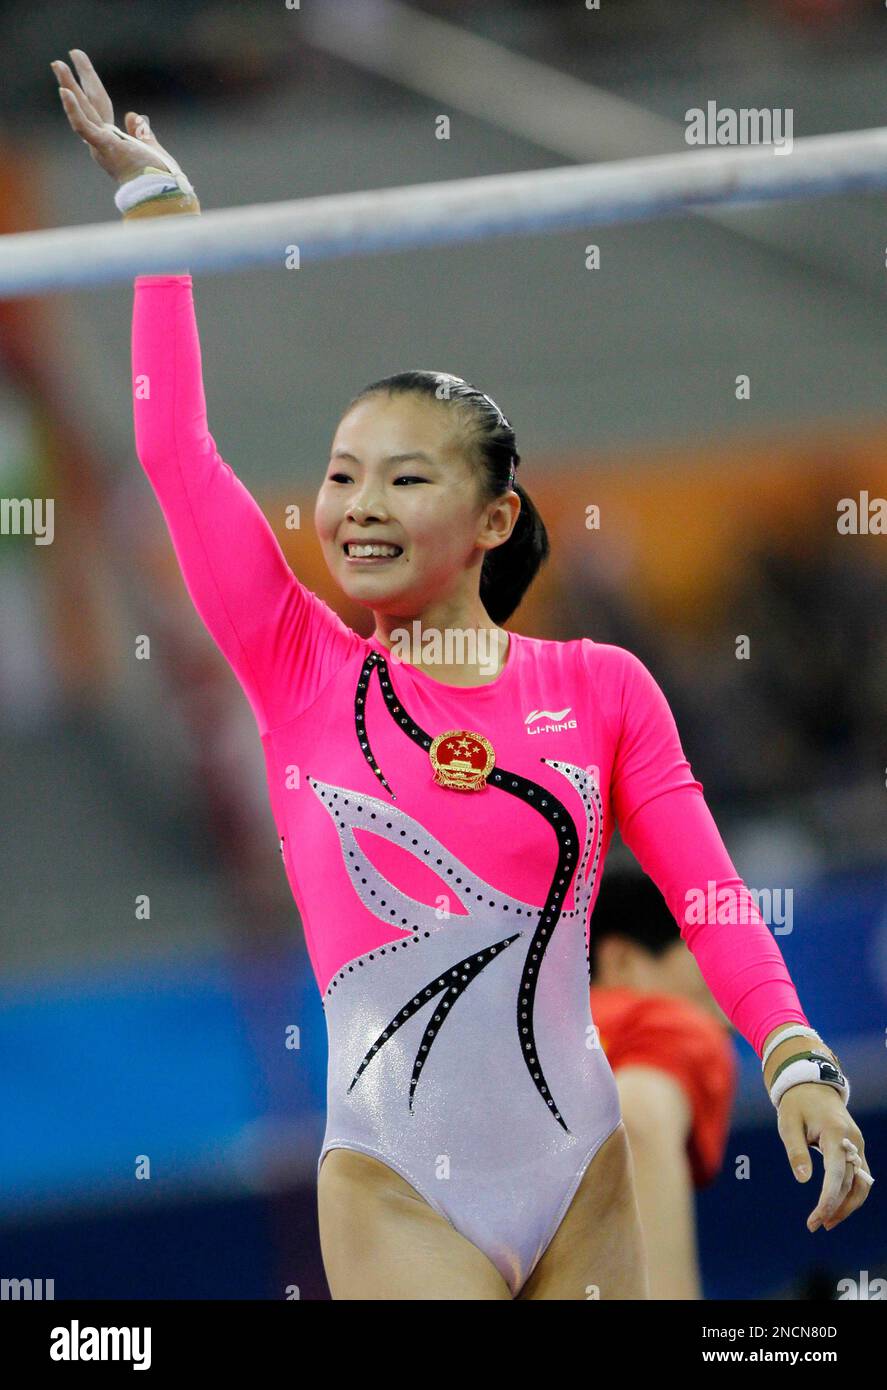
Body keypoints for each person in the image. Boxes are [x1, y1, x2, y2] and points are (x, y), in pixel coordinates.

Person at [53, 48, 873, 1301]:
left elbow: (710, 895)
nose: (356, 506)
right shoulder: (296, 666)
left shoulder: (602, 689)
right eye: (338, 475)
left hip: (580, 1166)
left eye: (404, 476)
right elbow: (173, 451)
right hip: (394, 1180)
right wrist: (159, 226)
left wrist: (794, 1055)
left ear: (492, 521)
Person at [588, 866, 737, 1298]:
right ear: (622, 960)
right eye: (712, 977)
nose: (727, 1020)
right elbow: (639, 1124)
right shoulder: (668, 1021)